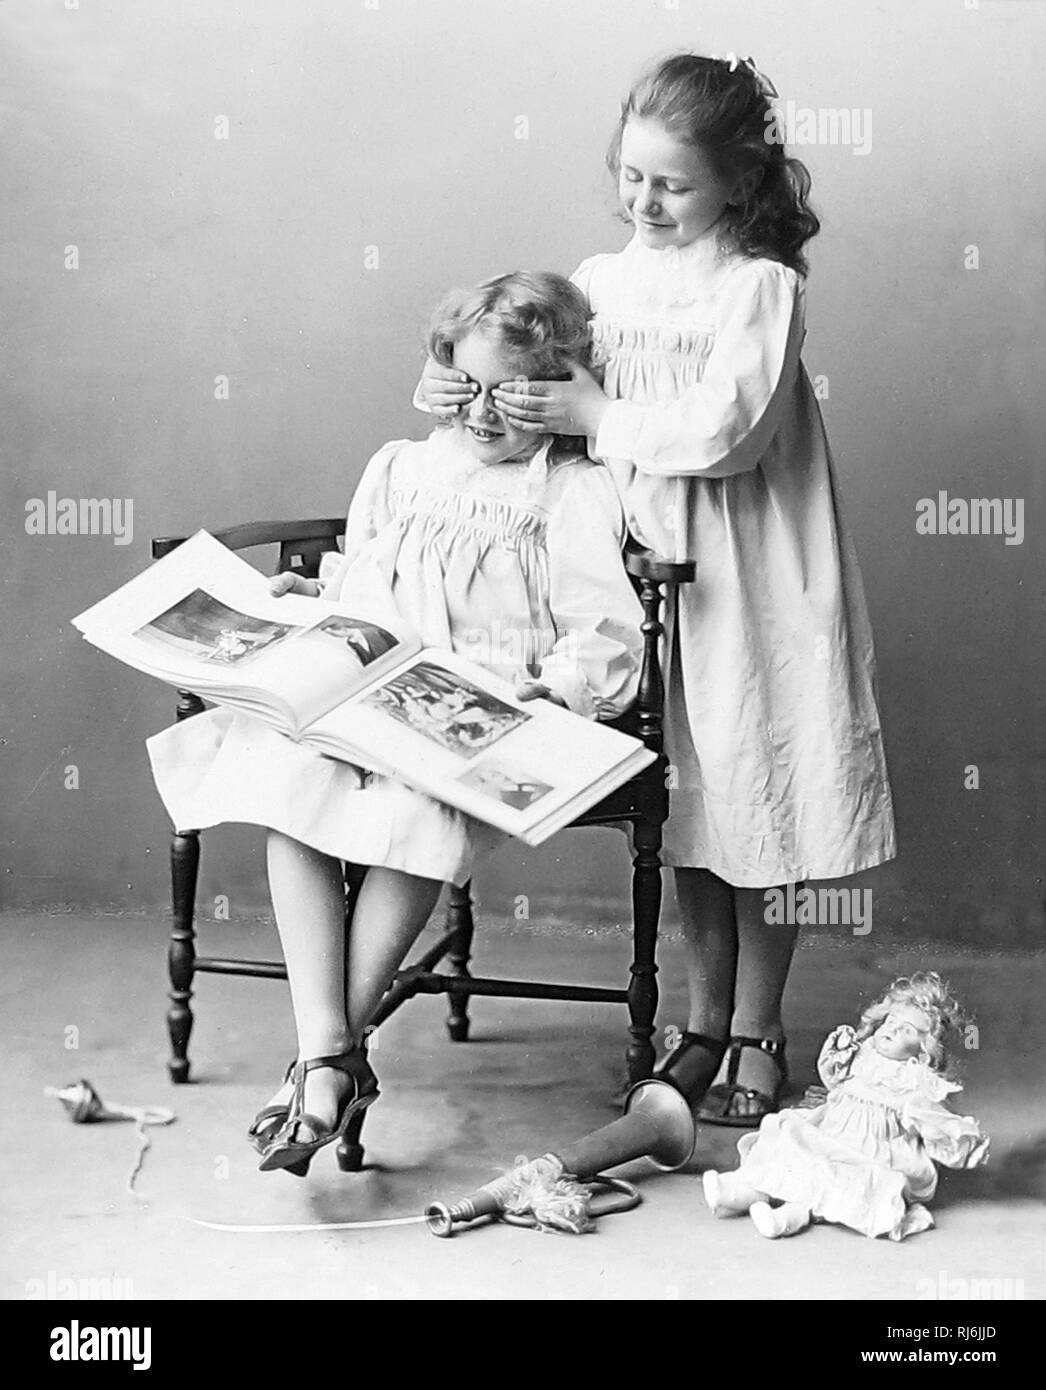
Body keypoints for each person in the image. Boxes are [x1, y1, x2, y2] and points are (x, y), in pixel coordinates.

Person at [419, 53, 896, 1125]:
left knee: (758, 805)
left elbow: (724, 435)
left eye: (670, 184)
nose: (642, 200)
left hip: (750, 580)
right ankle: (700, 1018)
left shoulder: (757, 290)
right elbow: (521, 372)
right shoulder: (602, 280)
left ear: (736, 180)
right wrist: (457, 385)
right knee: (685, 810)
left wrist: (600, 417)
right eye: (629, 176)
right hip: (641, 583)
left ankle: (761, 1028)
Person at [146, 271, 644, 1175]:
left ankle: (320, 1067)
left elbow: (606, 635)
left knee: (417, 820)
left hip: (472, 711)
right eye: (471, 389)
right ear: (442, 374)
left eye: (517, 396)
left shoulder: (571, 491)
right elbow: (367, 581)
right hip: (365, 694)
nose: (487, 416)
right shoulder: (402, 466)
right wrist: (314, 595)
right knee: (291, 790)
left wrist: (552, 688)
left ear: (561, 392)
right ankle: (329, 1050)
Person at [701, 972, 989, 1239]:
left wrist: (964, 1144)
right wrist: (838, 1055)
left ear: (925, 1048)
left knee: (840, 1179)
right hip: (832, 1131)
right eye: (890, 1022)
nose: (892, 1032)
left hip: (871, 1152)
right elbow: (834, 1083)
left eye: (906, 1031)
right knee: (789, 1140)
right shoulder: (862, 1055)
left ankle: (787, 1218)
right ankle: (743, 1191)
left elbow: (937, 1123)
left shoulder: (913, 1083)